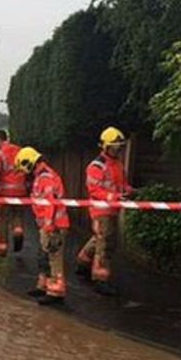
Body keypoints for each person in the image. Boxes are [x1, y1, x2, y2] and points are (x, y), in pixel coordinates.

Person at [77, 126, 132, 296]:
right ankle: (100, 279)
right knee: (104, 244)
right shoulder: (96, 166)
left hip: (112, 209)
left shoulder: (117, 164)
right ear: (106, 146)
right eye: (116, 146)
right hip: (101, 211)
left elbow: (121, 185)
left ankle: (82, 263)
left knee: (100, 239)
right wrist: (114, 197)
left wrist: (129, 191)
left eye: (120, 146)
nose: (119, 149)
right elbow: (95, 190)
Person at [15, 146, 69, 305]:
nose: (24, 173)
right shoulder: (40, 176)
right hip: (48, 225)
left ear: (29, 162)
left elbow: (50, 204)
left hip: (55, 226)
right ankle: (44, 286)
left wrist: (48, 226)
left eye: (24, 169)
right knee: (44, 256)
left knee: (54, 258)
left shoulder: (45, 177)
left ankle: (56, 292)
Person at [0, 129, 27, 256]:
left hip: (5, 191)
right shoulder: (20, 150)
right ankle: (18, 232)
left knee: (3, 219)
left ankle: (2, 247)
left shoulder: (0, 153)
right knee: (17, 216)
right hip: (21, 190)